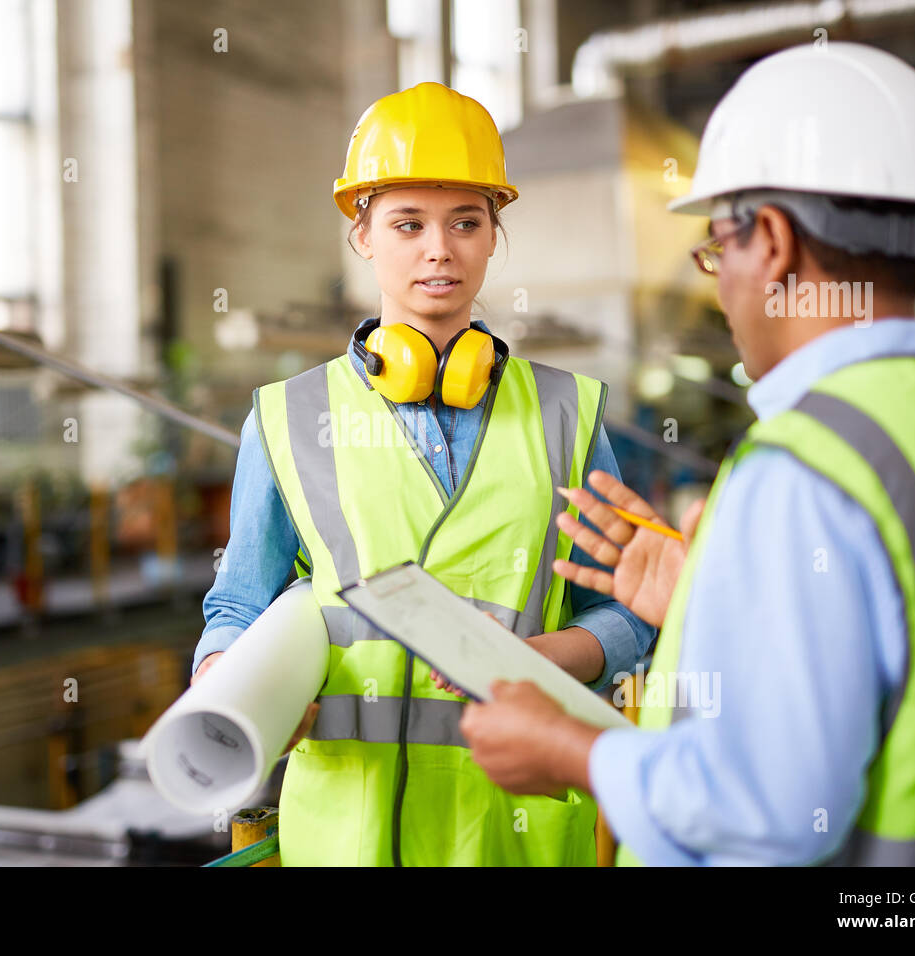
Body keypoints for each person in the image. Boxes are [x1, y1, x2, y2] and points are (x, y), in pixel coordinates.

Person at [459, 42, 915, 865]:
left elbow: (765, 812)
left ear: (776, 242)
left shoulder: (803, 467)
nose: (719, 286)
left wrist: (572, 749)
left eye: (721, 250)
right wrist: (702, 604)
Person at [193, 81, 655, 865]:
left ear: (493, 235)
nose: (439, 249)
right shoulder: (288, 417)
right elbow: (239, 603)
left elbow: (631, 612)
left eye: (466, 223)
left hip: (518, 832)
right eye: (408, 224)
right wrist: (231, 685)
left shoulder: (566, 413)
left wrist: (547, 658)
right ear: (363, 236)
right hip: (347, 833)